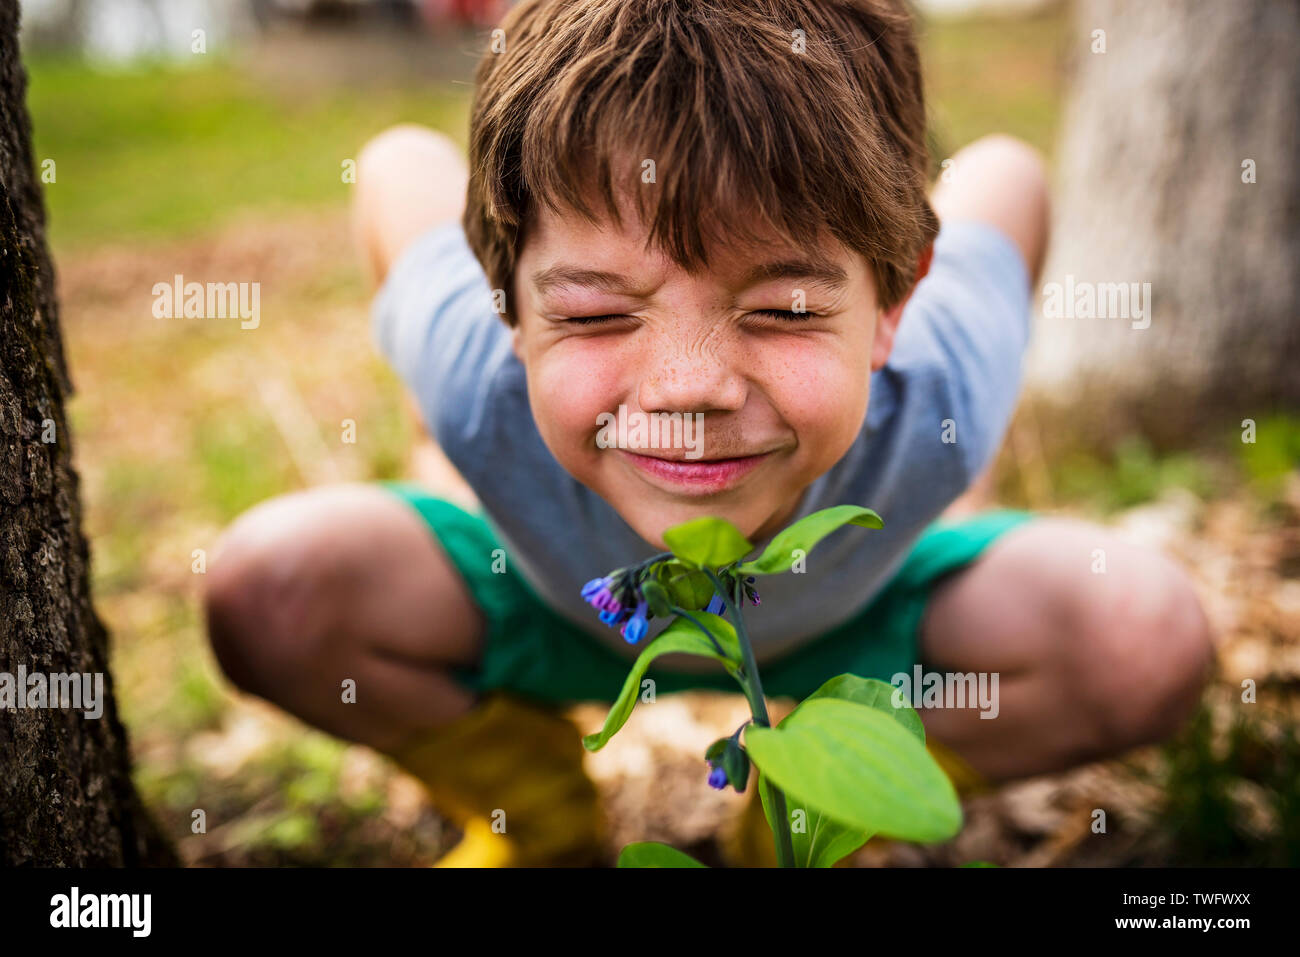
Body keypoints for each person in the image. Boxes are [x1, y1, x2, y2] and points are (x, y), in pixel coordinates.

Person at [204, 0, 1214, 867]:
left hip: (853, 638)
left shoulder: (941, 376)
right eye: (597, 315)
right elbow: (395, 168)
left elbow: (1006, 178)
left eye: (780, 309)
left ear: (897, 297)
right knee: (271, 589)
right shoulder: (475, 375)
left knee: (1138, 638)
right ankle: (535, 812)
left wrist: (973, 478)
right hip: (553, 613)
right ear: (505, 303)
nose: (688, 392)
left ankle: (806, 823)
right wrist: (435, 448)